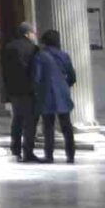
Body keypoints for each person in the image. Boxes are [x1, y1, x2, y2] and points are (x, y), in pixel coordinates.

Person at [31, 29, 78, 164]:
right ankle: (70, 154)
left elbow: (37, 78)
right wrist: (63, 85)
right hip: (62, 93)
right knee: (66, 126)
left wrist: (36, 92)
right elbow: (72, 76)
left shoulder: (40, 56)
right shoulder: (64, 55)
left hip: (47, 94)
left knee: (48, 126)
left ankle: (49, 155)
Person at [0, 21, 39, 162]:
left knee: (17, 119)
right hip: (29, 90)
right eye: (33, 33)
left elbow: (4, 70)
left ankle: (15, 148)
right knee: (30, 122)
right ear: (28, 34)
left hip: (13, 90)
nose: (35, 35)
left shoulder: (8, 47)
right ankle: (28, 151)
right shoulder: (33, 49)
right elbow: (35, 71)